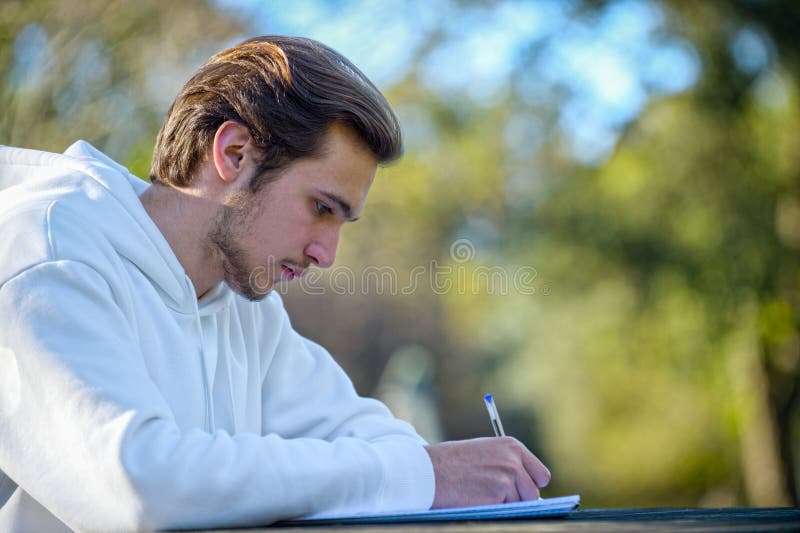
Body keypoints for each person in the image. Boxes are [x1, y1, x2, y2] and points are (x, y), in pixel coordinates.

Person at [0, 36, 550, 532]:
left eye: (340, 222)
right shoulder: (45, 252)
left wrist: (425, 471)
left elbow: (373, 441)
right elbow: (137, 488)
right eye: (320, 208)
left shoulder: (243, 306)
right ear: (234, 153)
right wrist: (420, 473)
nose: (326, 253)